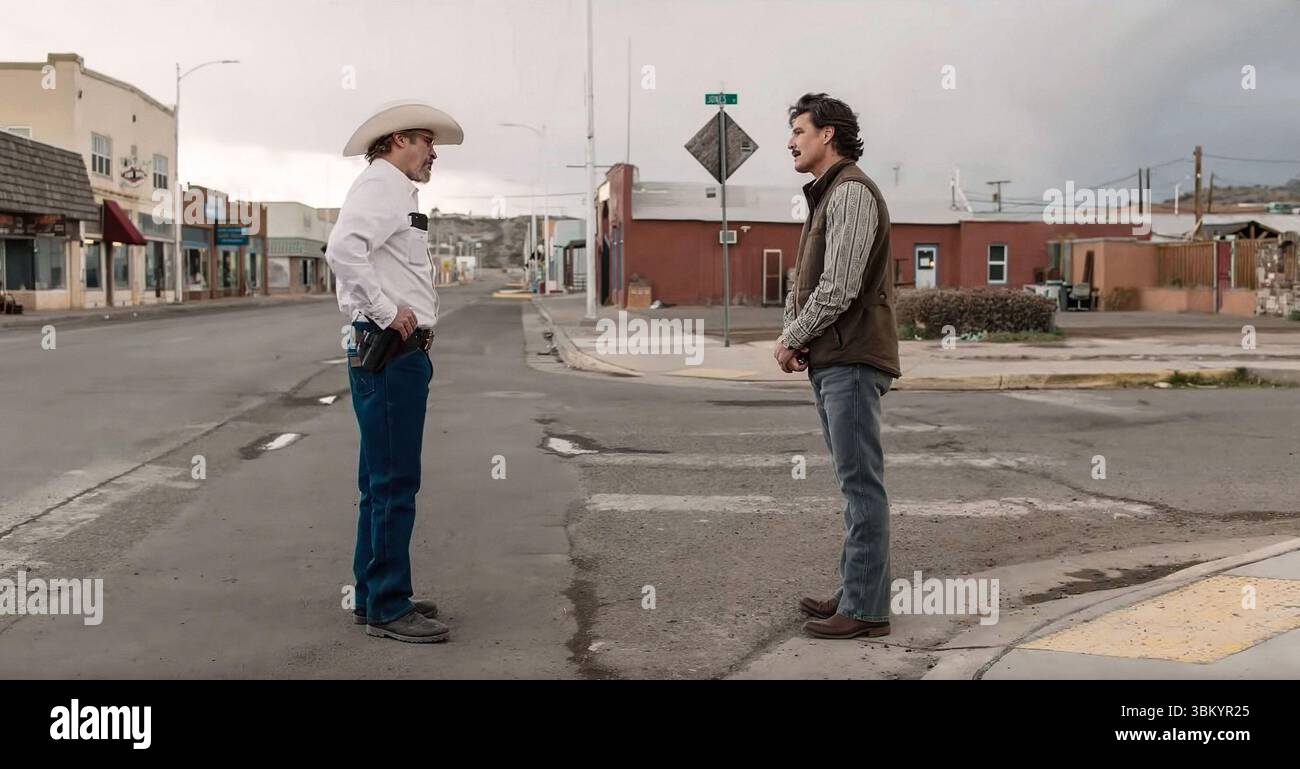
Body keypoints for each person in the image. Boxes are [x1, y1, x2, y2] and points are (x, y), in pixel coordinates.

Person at [325, 100, 463, 643]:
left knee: (379, 480)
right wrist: (389, 312)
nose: (434, 154)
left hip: (394, 351)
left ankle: (373, 593)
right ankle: (387, 604)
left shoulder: (392, 190)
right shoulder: (382, 185)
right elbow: (342, 251)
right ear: (399, 140)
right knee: (394, 482)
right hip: (391, 350)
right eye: (428, 142)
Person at [775, 93, 901, 640]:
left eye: (799, 130)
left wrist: (791, 338)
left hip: (851, 358)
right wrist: (798, 336)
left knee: (861, 485)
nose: (791, 141)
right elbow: (809, 281)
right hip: (834, 356)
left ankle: (867, 609)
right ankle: (856, 590)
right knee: (853, 484)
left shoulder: (850, 193)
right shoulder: (829, 195)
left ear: (828, 135)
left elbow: (840, 286)